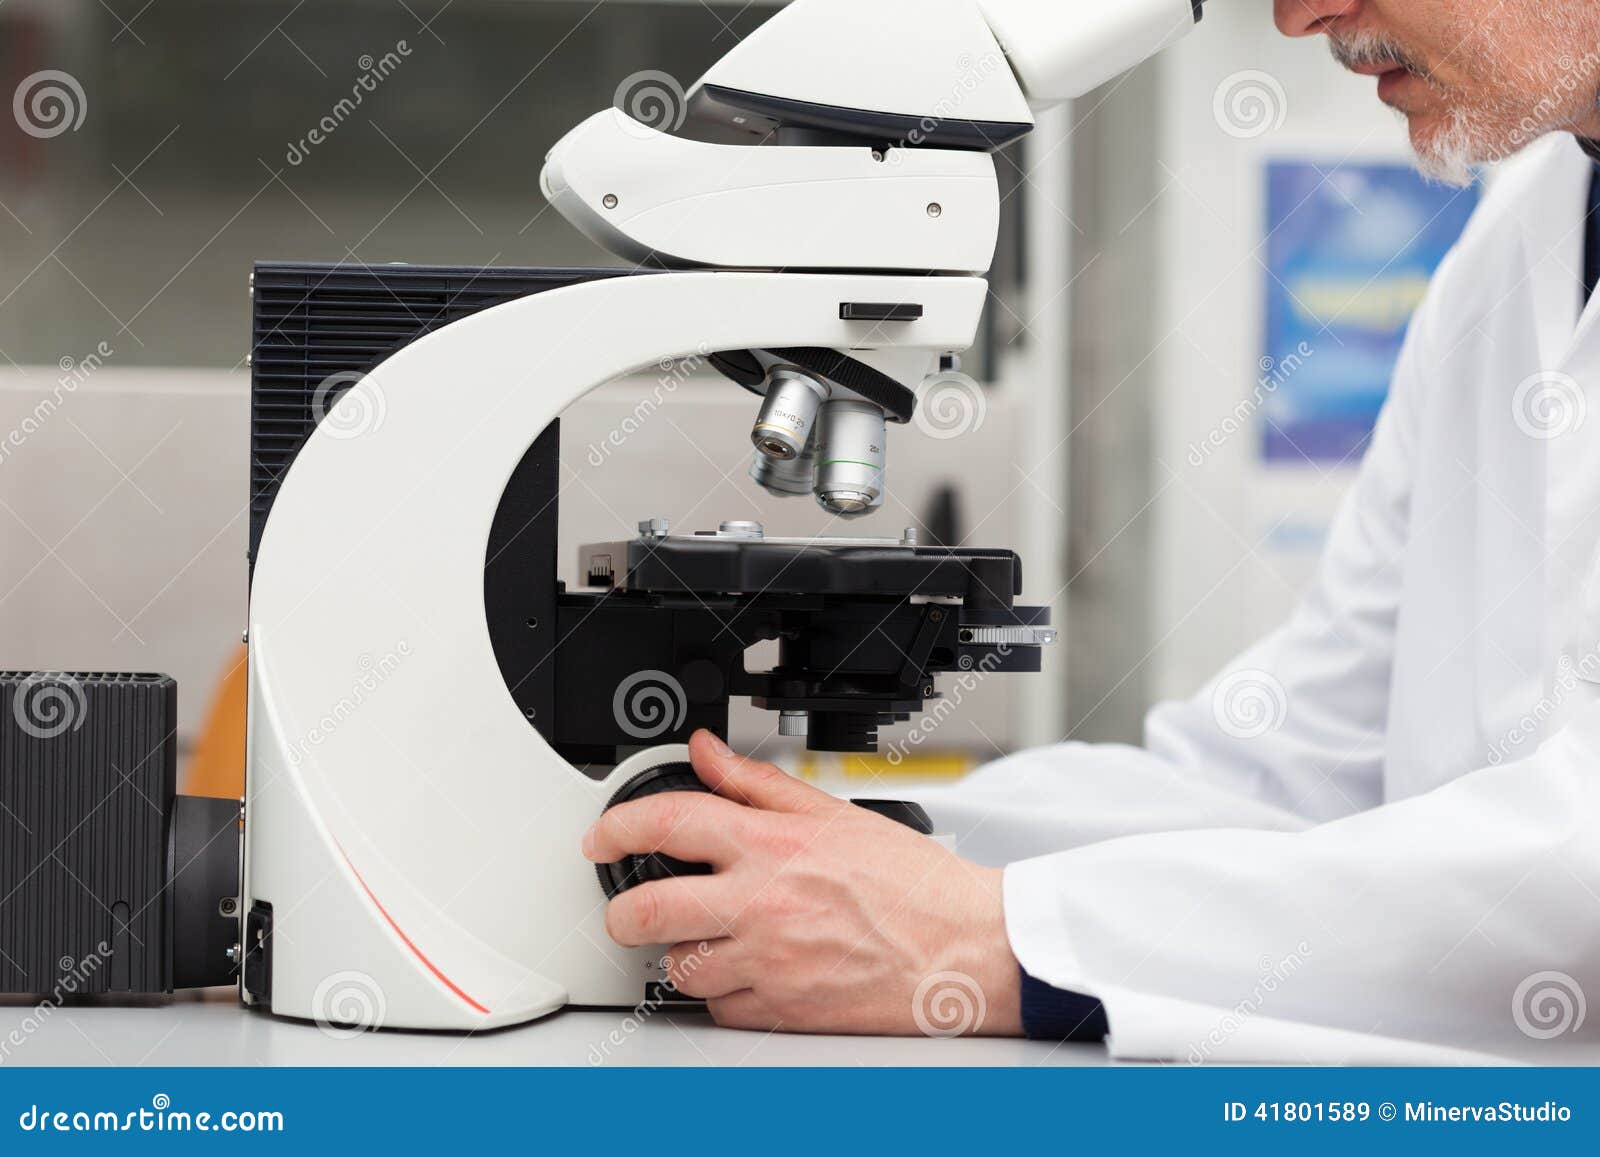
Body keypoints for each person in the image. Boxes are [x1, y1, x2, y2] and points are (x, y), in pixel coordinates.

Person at [582, 0, 1600, 1061]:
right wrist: (868, 843)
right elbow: (1296, 763)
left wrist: (983, 936)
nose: (1301, 14)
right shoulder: (1514, 240)